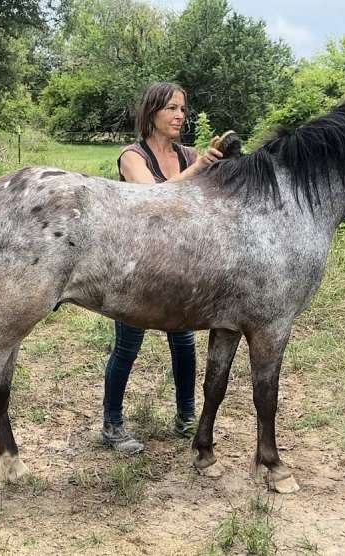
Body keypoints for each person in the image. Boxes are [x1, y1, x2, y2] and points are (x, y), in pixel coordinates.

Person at [101, 82, 224, 453]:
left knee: (183, 342)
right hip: (137, 265)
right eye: (171, 108)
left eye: (182, 109)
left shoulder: (189, 154)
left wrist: (219, 164)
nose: (179, 115)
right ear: (151, 113)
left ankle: (186, 417)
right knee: (127, 344)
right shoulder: (132, 156)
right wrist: (199, 168)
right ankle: (112, 424)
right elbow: (154, 197)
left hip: (181, 264)